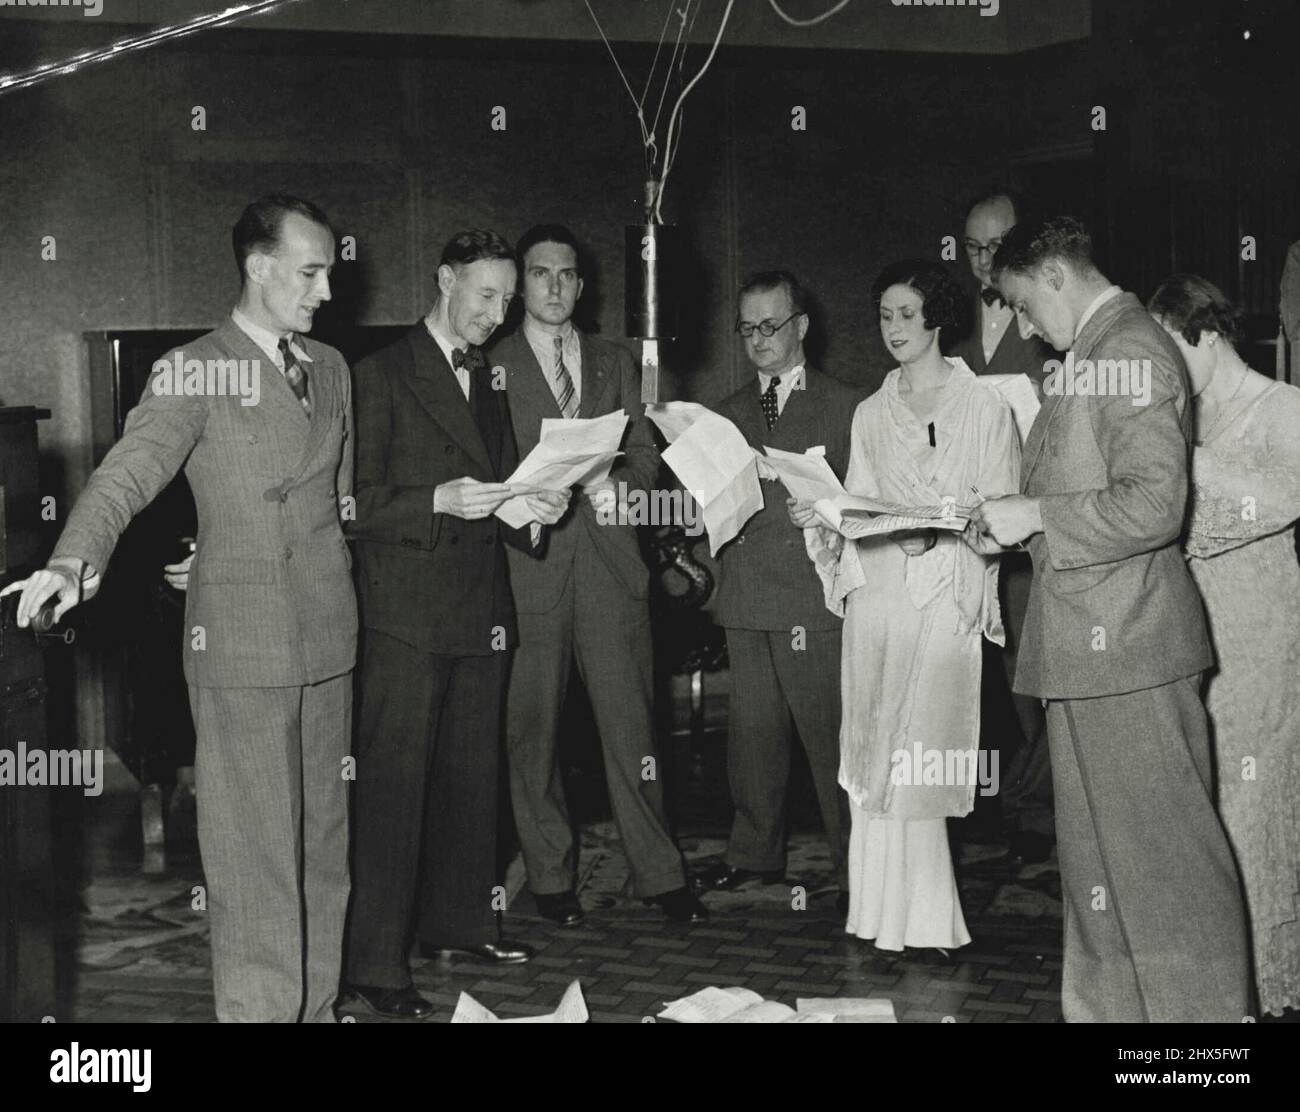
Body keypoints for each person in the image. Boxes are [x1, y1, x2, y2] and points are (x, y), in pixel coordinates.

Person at [3, 195, 358, 1022]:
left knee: (324, 850)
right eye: (310, 273)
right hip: (242, 639)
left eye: (330, 274)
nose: (326, 292)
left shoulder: (334, 368)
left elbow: (340, 503)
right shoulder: (197, 367)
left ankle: (318, 1005)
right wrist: (72, 556)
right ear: (258, 266)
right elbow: (130, 471)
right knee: (256, 859)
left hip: (330, 635)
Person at [974, 216, 1250, 1022]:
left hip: (1128, 650)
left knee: (1167, 879)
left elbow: (1154, 506)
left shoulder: (1127, 348)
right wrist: (1008, 515)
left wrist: (1033, 514)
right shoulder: (1091, 356)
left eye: (1025, 305)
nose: (1023, 326)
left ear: (1056, 276)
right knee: (1102, 878)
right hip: (1090, 655)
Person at [342, 230, 569, 1019]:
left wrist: (534, 507)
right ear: (444, 281)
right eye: (485, 295)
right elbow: (351, 505)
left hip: (481, 614)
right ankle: (374, 963)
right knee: (394, 793)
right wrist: (434, 501)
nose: (497, 313)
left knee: (472, 783)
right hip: (404, 618)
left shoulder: (489, 377)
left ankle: (457, 925)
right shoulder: (377, 375)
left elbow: (500, 486)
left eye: (506, 300)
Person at [793, 260, 1019, 952]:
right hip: (880, 600)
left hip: (943, 598)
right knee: (873, 749)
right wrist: (821, 513)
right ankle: (875, 916)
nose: (894, 328)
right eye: (885, 315)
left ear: (938, 318)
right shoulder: (870, 411)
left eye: (906, 314)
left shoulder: (985, 409)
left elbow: (1001, 516)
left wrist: (936, 532)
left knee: (923, 753)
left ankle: (927, 920)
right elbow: (858, 507)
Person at [491, 224, 704, 925]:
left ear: (583, 286)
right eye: (542, 273)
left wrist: (621, 476)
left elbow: (648, 454)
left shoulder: (617, 361)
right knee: (534, 732)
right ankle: (551, 881)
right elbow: (481, 470)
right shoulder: (489, 366)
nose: (556, 286)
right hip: (531, 568)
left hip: (613, 569)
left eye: (568, 274)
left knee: (633, 727)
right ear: (523, 283)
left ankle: (660, 873)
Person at [1149, 273, 1300, 1017]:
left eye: (1171, 348)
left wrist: (1186, 465)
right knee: (1201, 796)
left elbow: (1278, 499)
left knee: (1250, 798)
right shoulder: (1183, 416)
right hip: (1191, 624)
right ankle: (1212, 976)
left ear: (1206, 332)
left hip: (1259, 625)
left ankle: (1259, 982)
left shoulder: (1285, 406)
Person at [695, 271, 859, 912]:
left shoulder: (847, 404)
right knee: (752, 738)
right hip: (746, 593)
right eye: (747, 328)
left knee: (829, 738)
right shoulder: (725, 411)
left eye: (770, 326)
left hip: (813, 599)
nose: (758, 340)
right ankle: (752, 853)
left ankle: (854, 862)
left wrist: (829, 510)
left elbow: (869, 502)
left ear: (801, 327)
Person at [950, 188, 1056, 862]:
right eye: (974, 248)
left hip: (1036, 523)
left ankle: (1039, 810)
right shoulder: (950, 319)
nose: (986, 262)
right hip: (970, 523)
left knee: (1034, 669)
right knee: (981, 668)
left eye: (998, 246)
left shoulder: (1046, 318)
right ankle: (1007, 807)